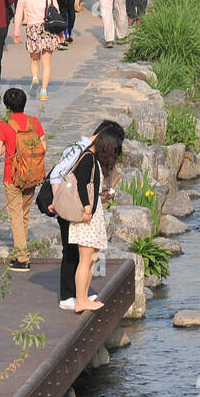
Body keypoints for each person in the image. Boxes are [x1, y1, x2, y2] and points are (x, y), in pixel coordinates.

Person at [68, 121, 123, 312]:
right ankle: (81, 300)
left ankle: (83, 298)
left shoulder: (92, 159)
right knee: (86, 259)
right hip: (87, 217)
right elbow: (81, 185)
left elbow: (89, 187)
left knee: (92, 259)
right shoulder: (88, 159)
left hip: (92, 215)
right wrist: (87, 208)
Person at [0, 87, 46, 271]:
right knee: (24, 215)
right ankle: (20, 251)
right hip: (31, 175)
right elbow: (44, 146)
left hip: (12, 176)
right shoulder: (34, 122)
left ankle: (22, 259)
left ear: (7, 105)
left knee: (15, 216)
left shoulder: (3, 123)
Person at [13, 0, 61, 103]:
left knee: (34, 59)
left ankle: (35, 78)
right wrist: (61, 32)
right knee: (47, 63)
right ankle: (44, 92)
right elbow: (56, 12)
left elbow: (18, 14)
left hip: (32, 29)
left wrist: (17, 32)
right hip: (47, 29)